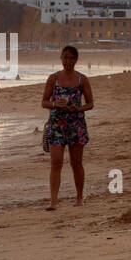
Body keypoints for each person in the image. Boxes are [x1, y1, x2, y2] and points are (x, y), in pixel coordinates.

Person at [42, 45, 94, 210]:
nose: (68, 61)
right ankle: (54, 201)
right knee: (56, 162)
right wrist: (55, 104)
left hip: (76, 125)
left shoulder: (82, 79)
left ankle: (79, 198)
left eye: (71, 58)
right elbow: (44, 102)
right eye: (65, 57)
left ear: (76, 60)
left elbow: (90, 103)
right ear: (61, 58)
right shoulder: (53, 78)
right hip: (57, 124)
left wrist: (78, 109)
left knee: (76, 162)